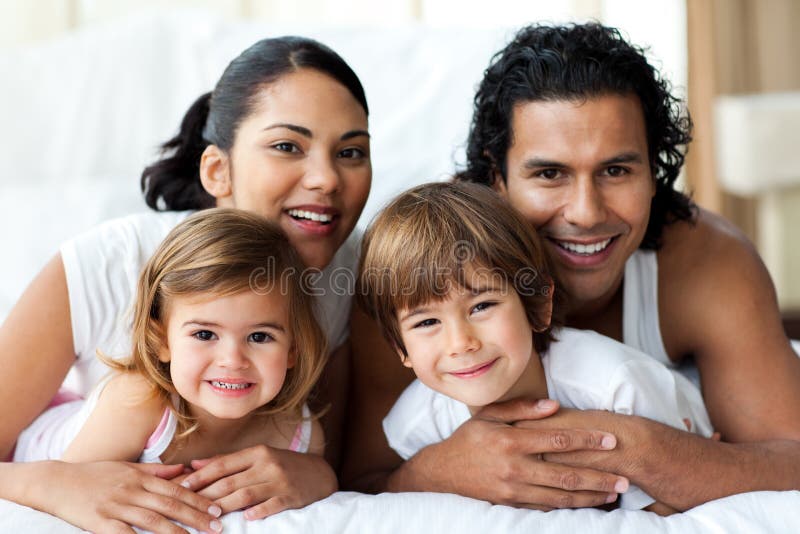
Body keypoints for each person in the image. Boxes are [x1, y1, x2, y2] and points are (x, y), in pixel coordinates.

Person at [344, 23, 800, 511]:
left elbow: (790, 460)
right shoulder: (416, 277)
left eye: (616, 170)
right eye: (549, 173)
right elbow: (362, 479)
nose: (586, 212)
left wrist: (636, 447)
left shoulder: (708, 264)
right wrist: (440, 470)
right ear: (496, 176)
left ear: (653, 172)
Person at [0, 35, 371, 533]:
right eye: (287, 146)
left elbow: (350, 465)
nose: (326, 178)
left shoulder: (355, 270)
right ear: (218, 169)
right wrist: (53, 484)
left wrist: (314, 473)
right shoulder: (111, 261)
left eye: (351, 151)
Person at [359, 182, 713, 514]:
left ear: (538, 305)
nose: (461, 343)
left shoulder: (615, 384)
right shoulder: (418, 419)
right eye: (426, 323)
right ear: (400, 348)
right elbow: (386, 493)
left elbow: (670, 505)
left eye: (482, 306)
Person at [15, 209, 328, 528]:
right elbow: (70, 487)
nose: (233, 360)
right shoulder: (138, 403)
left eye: (260, 336)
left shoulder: (297, 431)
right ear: (162, 340)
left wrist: (324, 477)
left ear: (293, 350)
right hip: (34, 452)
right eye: (205, 334)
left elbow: (321, 484)